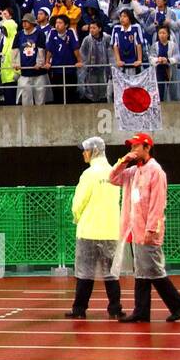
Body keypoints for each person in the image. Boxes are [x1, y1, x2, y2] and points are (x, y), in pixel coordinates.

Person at [108, 133, 180, 323]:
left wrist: (151, 229)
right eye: (131, 147)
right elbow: (112, 178)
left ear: (147, 147)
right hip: (134, 229)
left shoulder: (156, 171)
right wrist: (124, 161)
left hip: (148, 231)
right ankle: (142, 311)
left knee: (152, 270)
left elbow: (157, 202)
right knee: (142, 272)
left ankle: (178, 303)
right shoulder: (133, 171)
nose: (132, 151)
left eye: (135, 147)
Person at [65, 137, 123, 319]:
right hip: (111, 230)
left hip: (89, 230)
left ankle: (79, 310)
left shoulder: (89, 174)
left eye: (85, 150)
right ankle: (115, 309)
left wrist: (76, 217)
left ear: (93, 151)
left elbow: (78, 202)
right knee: (111, 274)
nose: (83, 153)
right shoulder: (114, 172)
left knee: (84, 274)